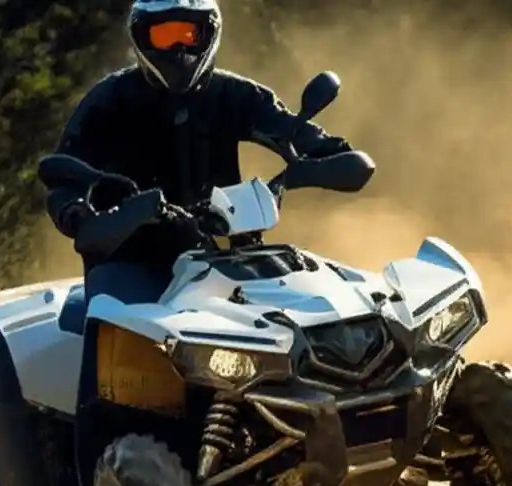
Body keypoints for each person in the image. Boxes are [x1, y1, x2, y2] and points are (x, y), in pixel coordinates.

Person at [43, 0, 355, 305]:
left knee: (305, 310)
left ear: (209, 32)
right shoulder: (107, 101)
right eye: (164, 36)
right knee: (112, 322)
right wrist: (76, 213)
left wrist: (324, 149)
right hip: (130, 262)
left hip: (226, 256)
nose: (178, 49)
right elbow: (64, 173)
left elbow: (287, 127)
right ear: (141, 36)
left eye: (188, 35)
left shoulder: (236, 94)